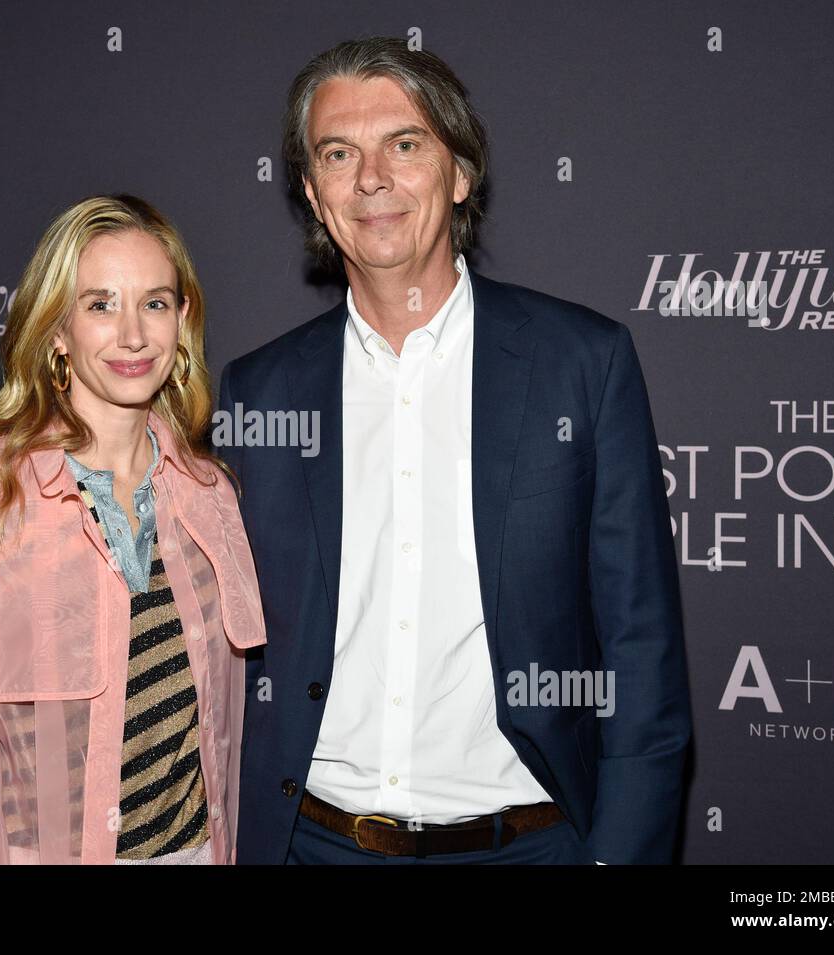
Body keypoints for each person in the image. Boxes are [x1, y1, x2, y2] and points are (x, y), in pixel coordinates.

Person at [219, 37, 692, 864]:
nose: (372, 177)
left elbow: (640, 648)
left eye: (404, 144)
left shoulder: (582, 363)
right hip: (310, 845)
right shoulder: (259, 390)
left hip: (531, 845)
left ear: (460, 173)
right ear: (311, 192)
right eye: (339, 153)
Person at [0, 194, 266, 864]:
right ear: (57, 329)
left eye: (154, 302)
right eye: (100, 304)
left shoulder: (210, 494)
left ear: (183, 321)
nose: (132, 334)